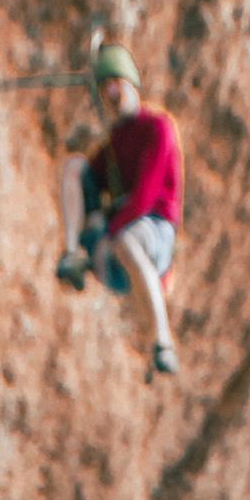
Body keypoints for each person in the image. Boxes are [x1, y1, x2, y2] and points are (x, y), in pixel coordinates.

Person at [55, 41, 184, 378]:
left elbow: (145, 197)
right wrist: (95, 231)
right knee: (74, 168)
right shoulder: (116, 141)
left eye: (117, 83)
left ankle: (163, 342)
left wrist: (109, 233)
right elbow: (92, 178)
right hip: (117, 245)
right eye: (106, 87)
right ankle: (72, 254)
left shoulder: (157, 128)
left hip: (152, 232)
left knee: (126, 239)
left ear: (132, 84)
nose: (112, 93)